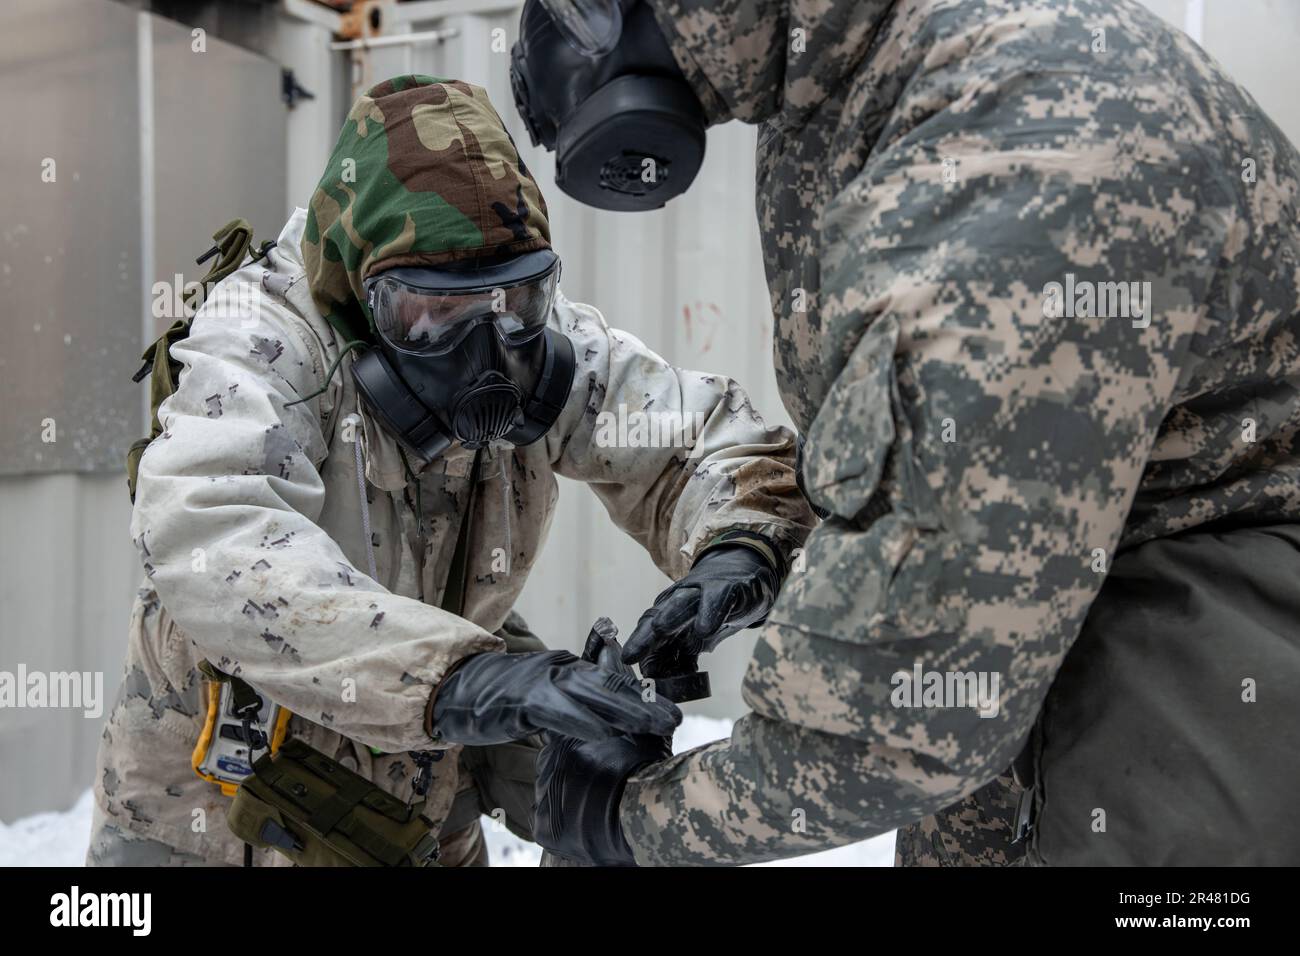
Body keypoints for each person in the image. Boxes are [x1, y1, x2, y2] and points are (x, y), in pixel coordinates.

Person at [519, 0, 1300, 865]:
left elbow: (910, 708)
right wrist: (757, 549)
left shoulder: (1016, 131)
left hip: (1182, 704)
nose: (560, 31)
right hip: (1028, 709)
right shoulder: (841, 82)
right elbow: (915, 465)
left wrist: (630, 819)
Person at [88, 75, 814, 867]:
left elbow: (699, 441)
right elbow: (215, 538)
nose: (488, 356)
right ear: (360, 299)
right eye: (433, 315)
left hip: (418, 794)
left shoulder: (541, 343)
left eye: (517, 303)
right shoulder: (265, 339)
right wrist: (472, 683)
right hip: (216, 812)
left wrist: (739, 547)